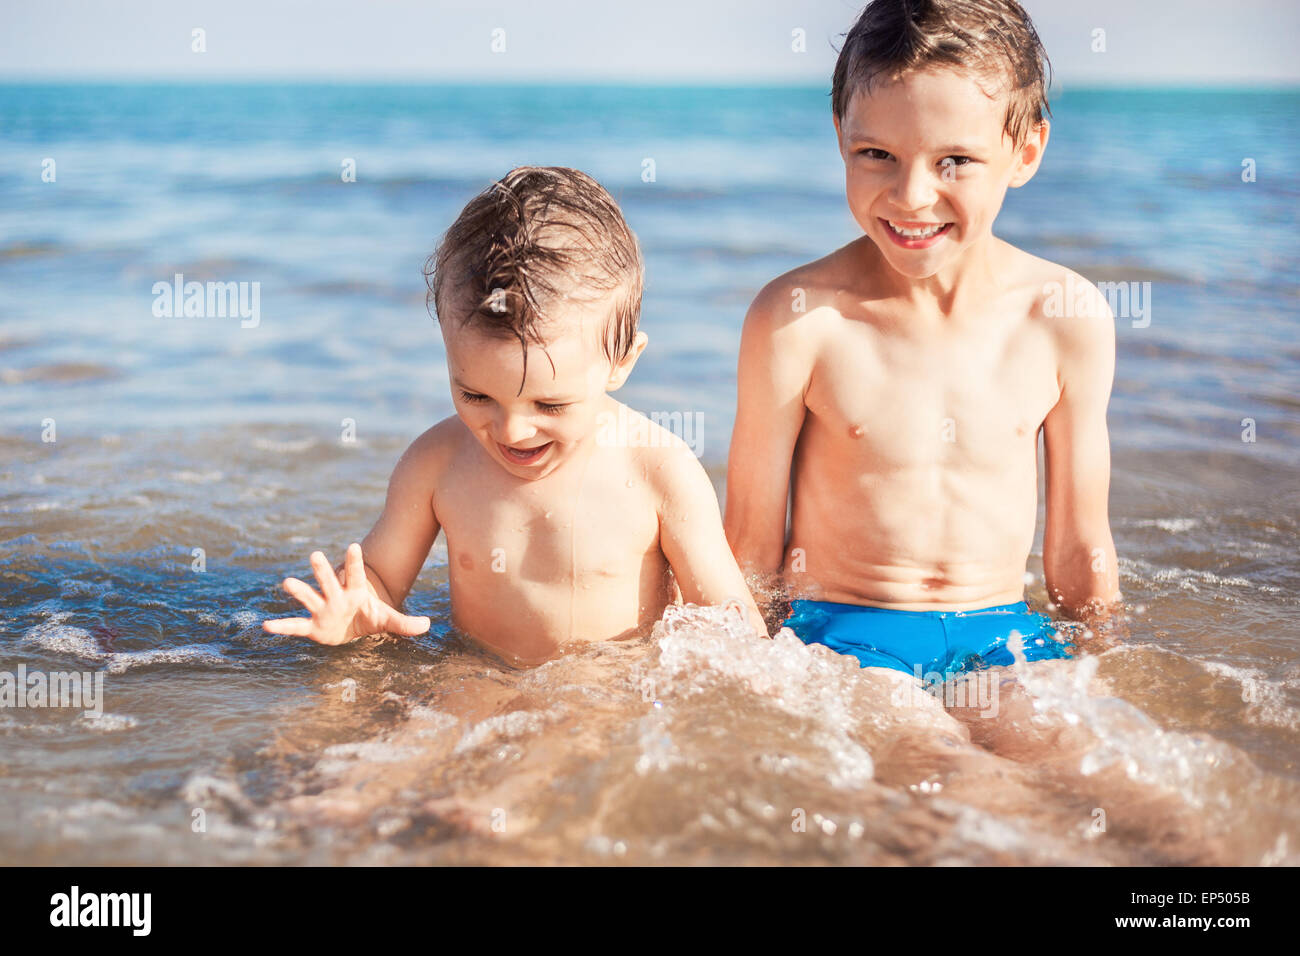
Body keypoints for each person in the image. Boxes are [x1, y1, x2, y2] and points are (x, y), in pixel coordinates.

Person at [725, 0, 1122, 682]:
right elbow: (750, 550)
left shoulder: (1064, 317)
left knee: (1104, 772)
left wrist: (1108, 667)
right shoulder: (799, 320)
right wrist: (743, 678)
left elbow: (1081, 547)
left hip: (1003, 635)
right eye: (876, 154)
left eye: (955, 161)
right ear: (839, 135)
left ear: (1025, 151)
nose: (911, 196)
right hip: (842, 636)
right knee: (943, 774)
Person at [265, 166, 765, 663]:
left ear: (622, 362)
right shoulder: (436, 462)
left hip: (611, 696)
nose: (511, 430)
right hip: (478, 676)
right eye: (476, 396)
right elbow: (381, 575)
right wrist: (358, 609)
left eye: (550, 404)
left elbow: (729, 616)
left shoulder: (659, 470)